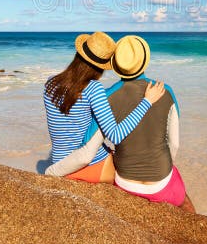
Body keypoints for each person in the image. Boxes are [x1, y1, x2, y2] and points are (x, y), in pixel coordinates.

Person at [48, 35, 194, 212]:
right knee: (184, 197)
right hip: (153, 181)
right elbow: (175, 144)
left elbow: (86, 136)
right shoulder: (165, 91)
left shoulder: (51, 83)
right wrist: (147, 101)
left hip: (115, 178)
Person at [43, 31, 166, 183]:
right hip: (89, 166)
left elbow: (67, 125)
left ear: (78, 55)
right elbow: (116, 135)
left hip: (59, 163)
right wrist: (147, 101)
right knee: (134, 176)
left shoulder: (50, 83)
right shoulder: (94, 89)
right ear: (100, 67)